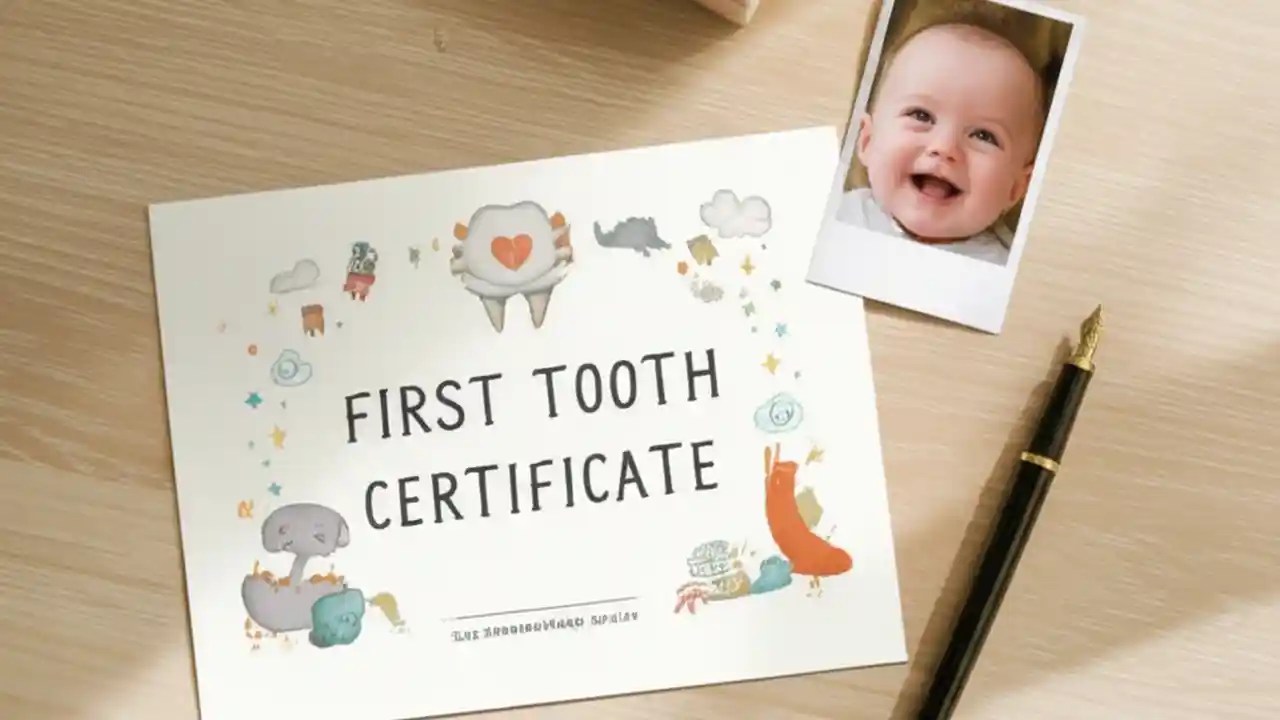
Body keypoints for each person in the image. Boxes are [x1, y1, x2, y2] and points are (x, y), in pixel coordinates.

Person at [837, 20, 1049, 265]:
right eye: (921, 115)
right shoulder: (835, 215)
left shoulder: (1004, 270)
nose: (945, 147)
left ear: (1017, 188)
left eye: (983, 135)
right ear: (867, 141)